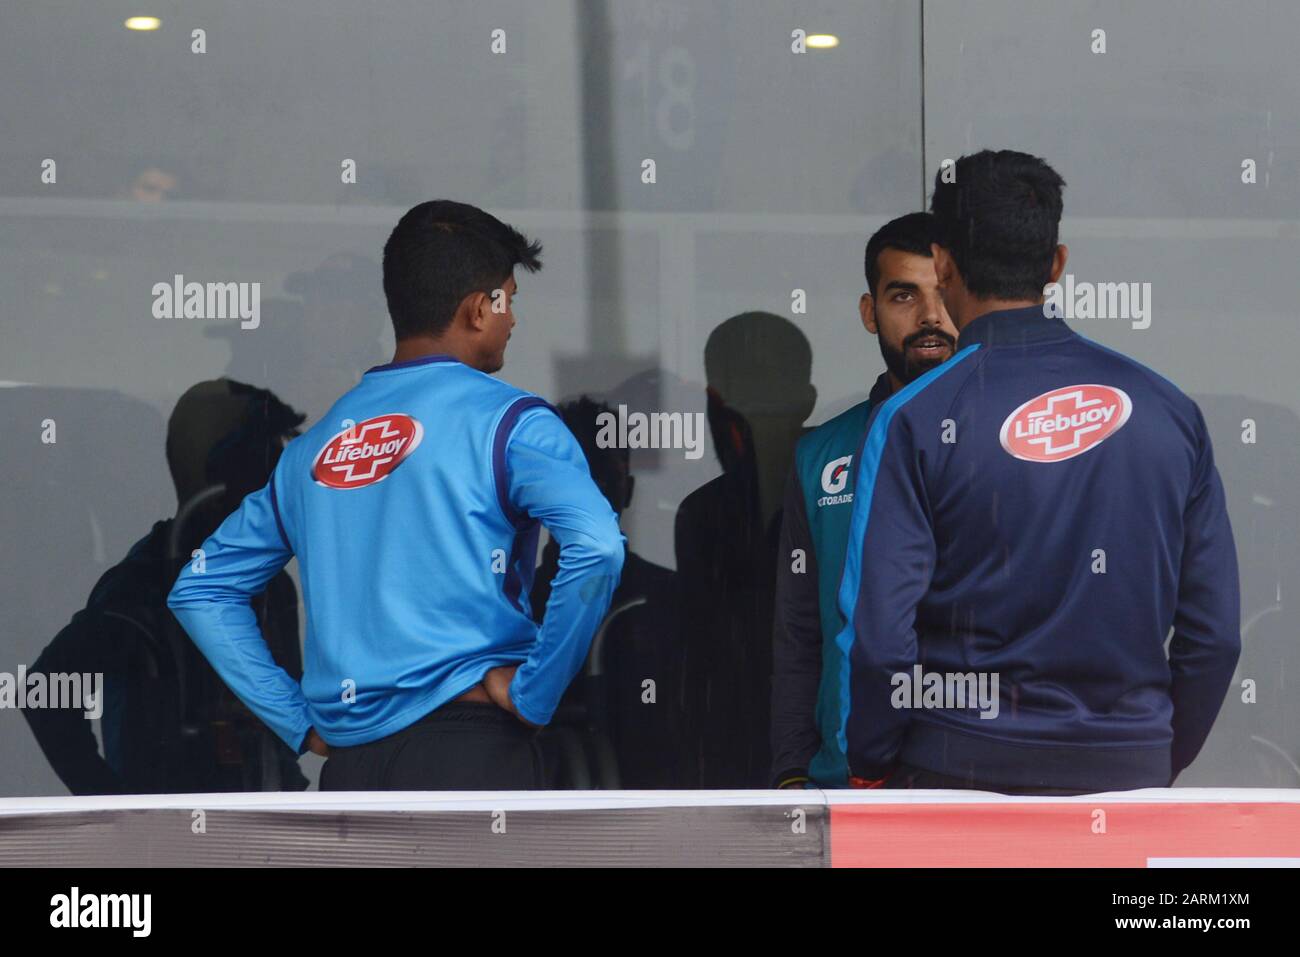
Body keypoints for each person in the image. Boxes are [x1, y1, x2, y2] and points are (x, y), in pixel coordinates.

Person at [168, 200, 625, 790]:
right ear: (476, 309)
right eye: (509, 298)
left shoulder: (312, 451)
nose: (514, 318)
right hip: (473, 760)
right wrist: (535, 692)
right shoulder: (513, 424)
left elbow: (202, 589)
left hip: (352, 773)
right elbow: (597, 547)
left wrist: (298, 722)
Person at [836, 151, 1240, 794]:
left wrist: (869, 762)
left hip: (956, 774)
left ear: (941, 265)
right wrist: (1150, 752)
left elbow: (882, 641)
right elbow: (1214, 638)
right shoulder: (1169, 411)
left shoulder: (914, 417)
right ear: (1056, 265)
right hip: (1125, 776)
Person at [25, 379, 308, 794]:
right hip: (165, 836)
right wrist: (115, 807)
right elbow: (44, 691)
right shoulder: (143, 587)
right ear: (220, 479)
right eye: (264, 467)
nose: (277, 486)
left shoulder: (271, 584)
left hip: (261, 826)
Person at [770, 213, 957, 789]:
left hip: (976, 772)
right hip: (846, 779)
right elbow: (801, 629)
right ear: (869, 311)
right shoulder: (821, 454)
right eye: (904, 294)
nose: (930, 316)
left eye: (944, 293)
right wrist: (790, 770)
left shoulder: (1011, 436)